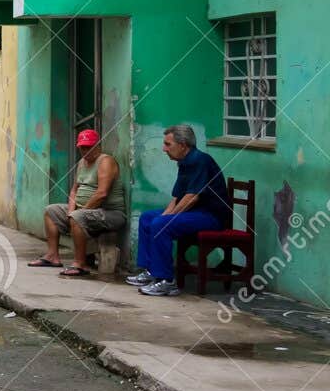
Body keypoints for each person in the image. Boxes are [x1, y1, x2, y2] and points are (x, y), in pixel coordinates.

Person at [126, 123, 230, 297]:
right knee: (147, 218)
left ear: (183, 145)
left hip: (211, 217)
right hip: (193, 214)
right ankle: (151, 271)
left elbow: (192, 197)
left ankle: (166, 281)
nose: (164, 149)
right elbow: (177, 197)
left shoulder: (200, 160)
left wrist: (166, 220)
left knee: (160, 223)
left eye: (168, 144)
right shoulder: (184, 163)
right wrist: (166, 216)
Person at [32, 129, 127, 276]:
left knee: (77, 217)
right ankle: (52, 256)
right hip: (85, 210)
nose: (85, 151)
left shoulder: (105, 161)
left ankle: (80, 264)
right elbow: (74, 191)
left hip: (110, 213)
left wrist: (79, 213)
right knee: (51, 211)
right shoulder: (82, 163)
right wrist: (71, 211)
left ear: (98, 146)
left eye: (89, 147)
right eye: (82, 147)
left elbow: (102, 193)